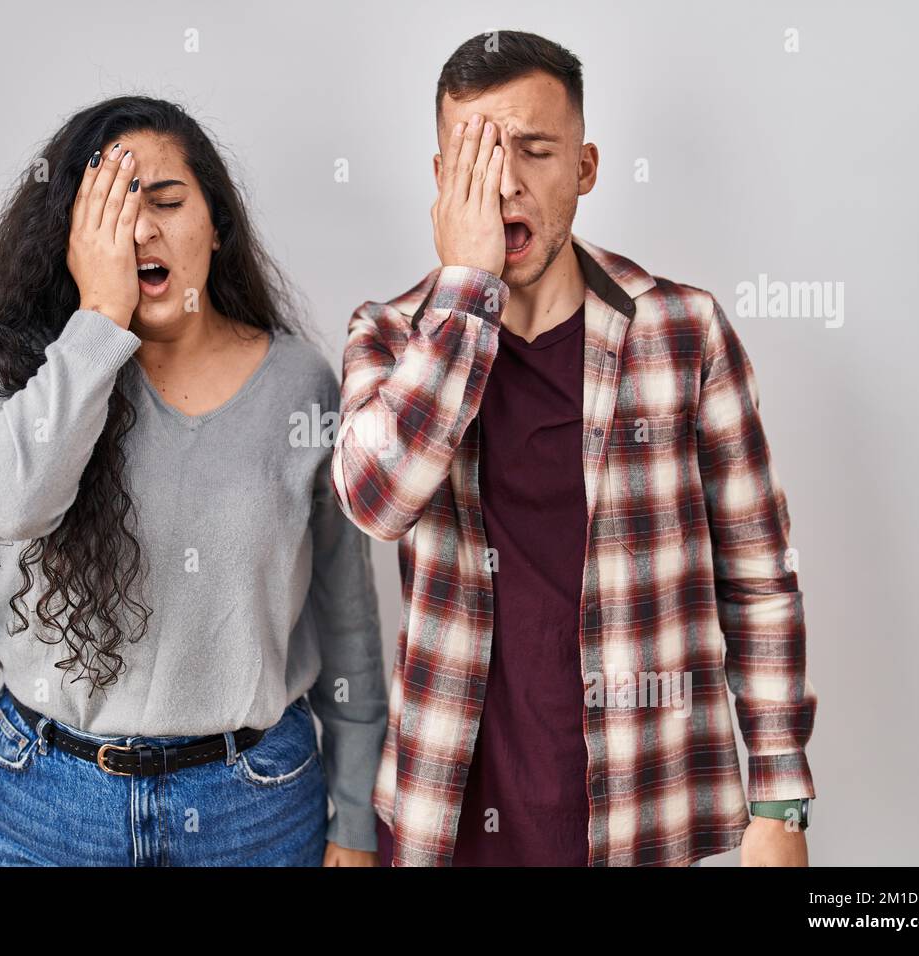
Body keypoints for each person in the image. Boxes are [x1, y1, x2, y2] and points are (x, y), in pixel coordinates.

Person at [331, 32, 815, 866]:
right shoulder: (390, 334)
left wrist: (778, 799)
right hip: (449, 817)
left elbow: (759, 576)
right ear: (443, 179)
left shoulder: (683, 331)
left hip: (644, 810)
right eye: (476, 154)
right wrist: (466, 293)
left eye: (533, 149)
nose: (506, 182)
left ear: (585, 168)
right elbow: (378, 501)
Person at [0, 95, 387, 866]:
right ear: (72, 239)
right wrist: (100, 318)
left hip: (253, 807)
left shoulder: (302, 383)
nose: (139, 230)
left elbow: (347, 616)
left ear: (217, 225)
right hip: (42, 805)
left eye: (166, 201)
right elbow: (12, 505)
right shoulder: (33, 370)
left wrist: (357, 815)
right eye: (108, 213)